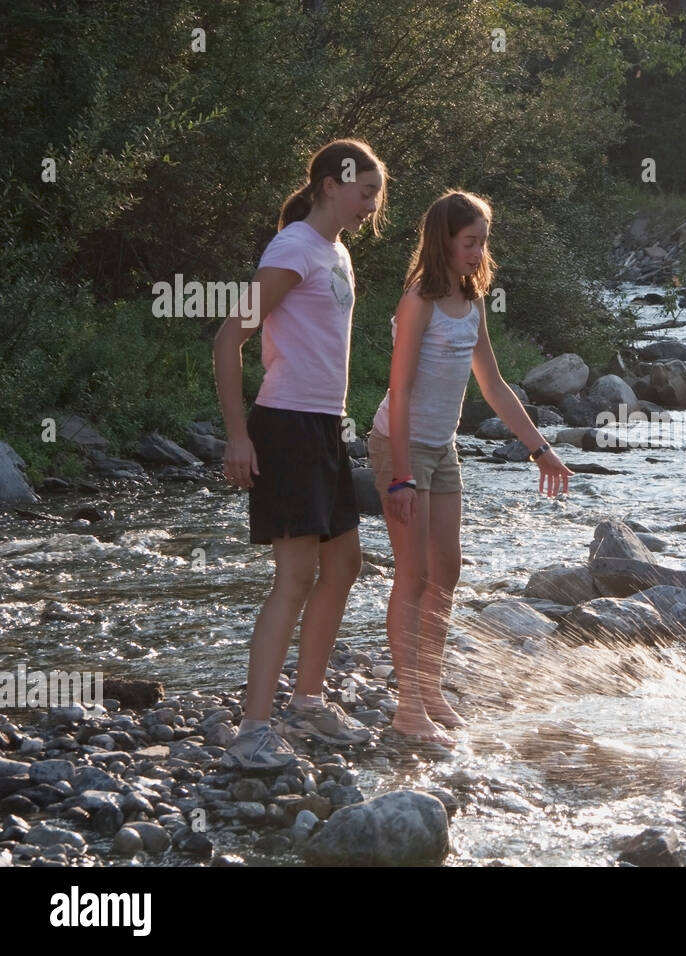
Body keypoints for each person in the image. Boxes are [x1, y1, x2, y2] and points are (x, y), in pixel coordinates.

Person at [369, 189, 574, 747]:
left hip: (444, 447)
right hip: (400, 443)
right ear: (443, 241)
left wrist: (540, 448)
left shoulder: (471, 302)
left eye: (484, 241)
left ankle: (430, 690)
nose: (479, 252)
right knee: (412, 574)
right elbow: (400, 390)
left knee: (448, 571)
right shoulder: (420, 301)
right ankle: (408, 708)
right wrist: (403, 474)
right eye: (470, 242)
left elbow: (494, 385)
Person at [212, 139, 388, 769]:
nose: (372, 205)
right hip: (283, 425)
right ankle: (252, 730)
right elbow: (229, 338)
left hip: (325, 427)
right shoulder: (292, 249)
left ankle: (307, 702)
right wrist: (238, 434)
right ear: (330, 185)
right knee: (294, 578)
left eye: (375, 194)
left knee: (343, 566)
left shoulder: (335, 252)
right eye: (366, 192)